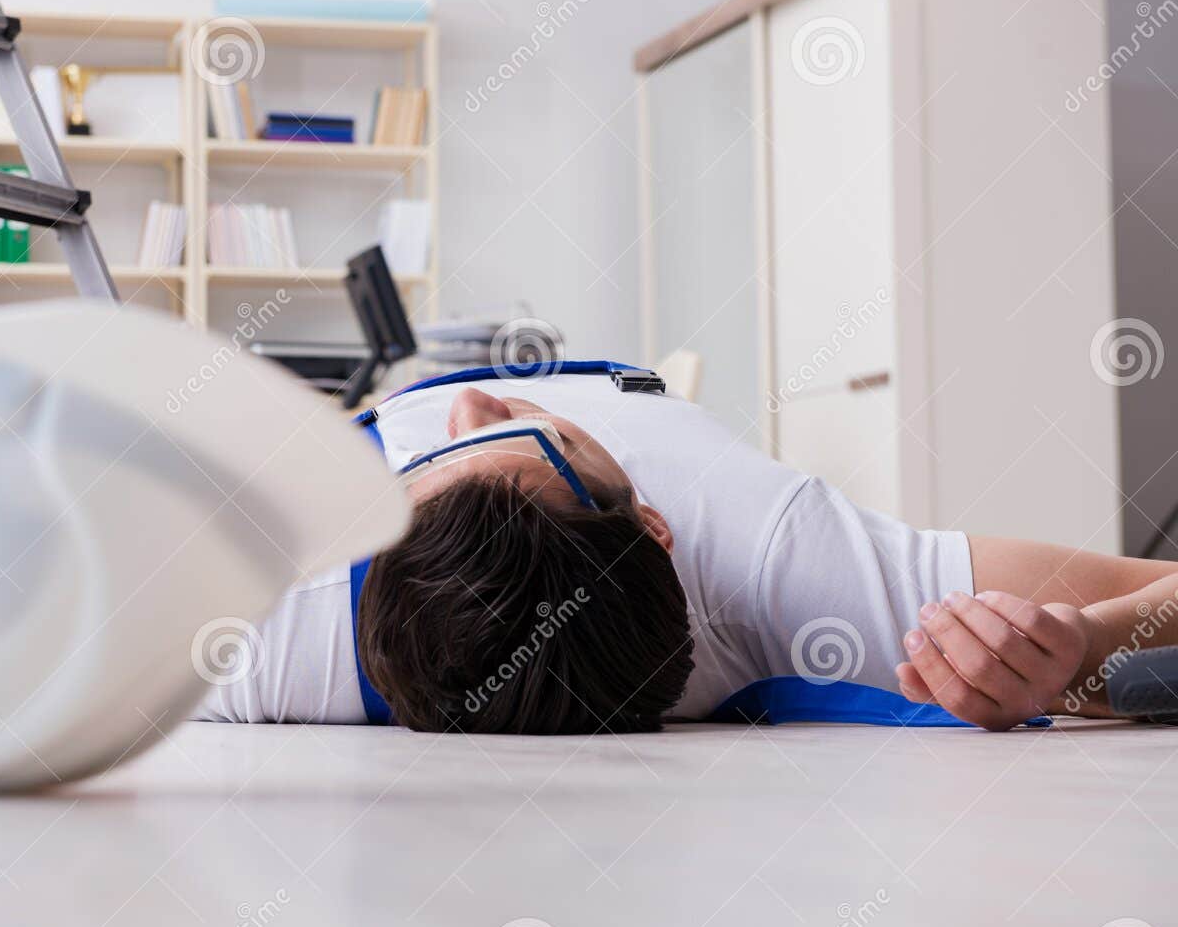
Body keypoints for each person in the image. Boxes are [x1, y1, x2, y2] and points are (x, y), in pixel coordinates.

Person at [195, 364, 1178, 734]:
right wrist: (1083, 656)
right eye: (545, 442)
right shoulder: (786, 570)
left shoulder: (241, 630)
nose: (471, 402)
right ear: (654, 521)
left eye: (413, 473)